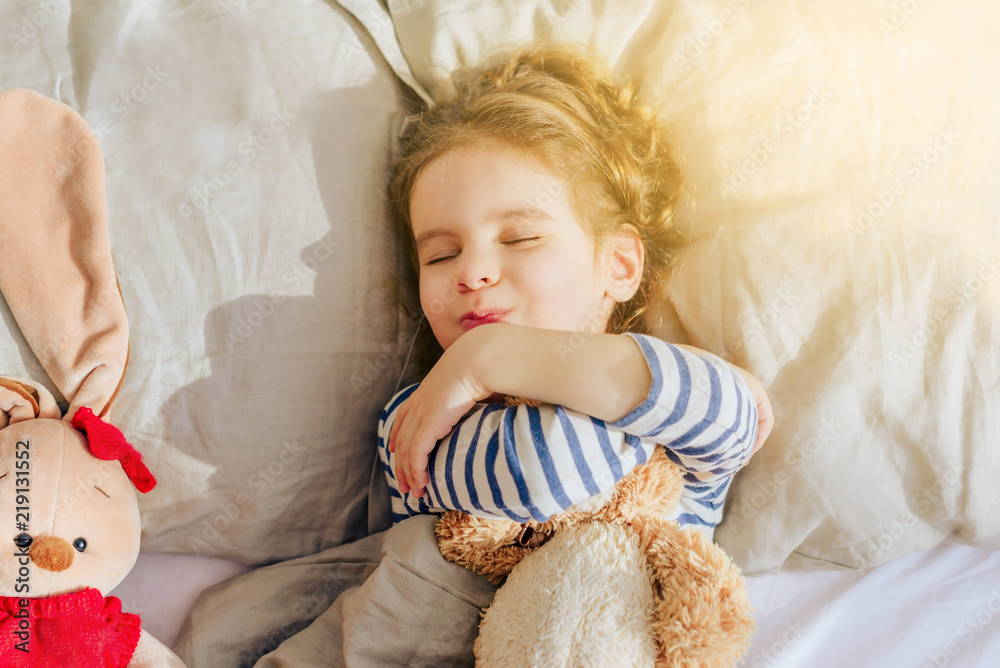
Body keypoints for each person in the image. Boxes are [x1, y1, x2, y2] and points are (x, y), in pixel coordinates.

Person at [377, 45, 773, 542]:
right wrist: (483, 360)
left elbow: (742, 423)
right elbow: (541, 472)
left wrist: (484, 356)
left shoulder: (664, 385)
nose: (471, 272)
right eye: (441, 255)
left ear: (618, 264)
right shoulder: (415, 421)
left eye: (520, 238)